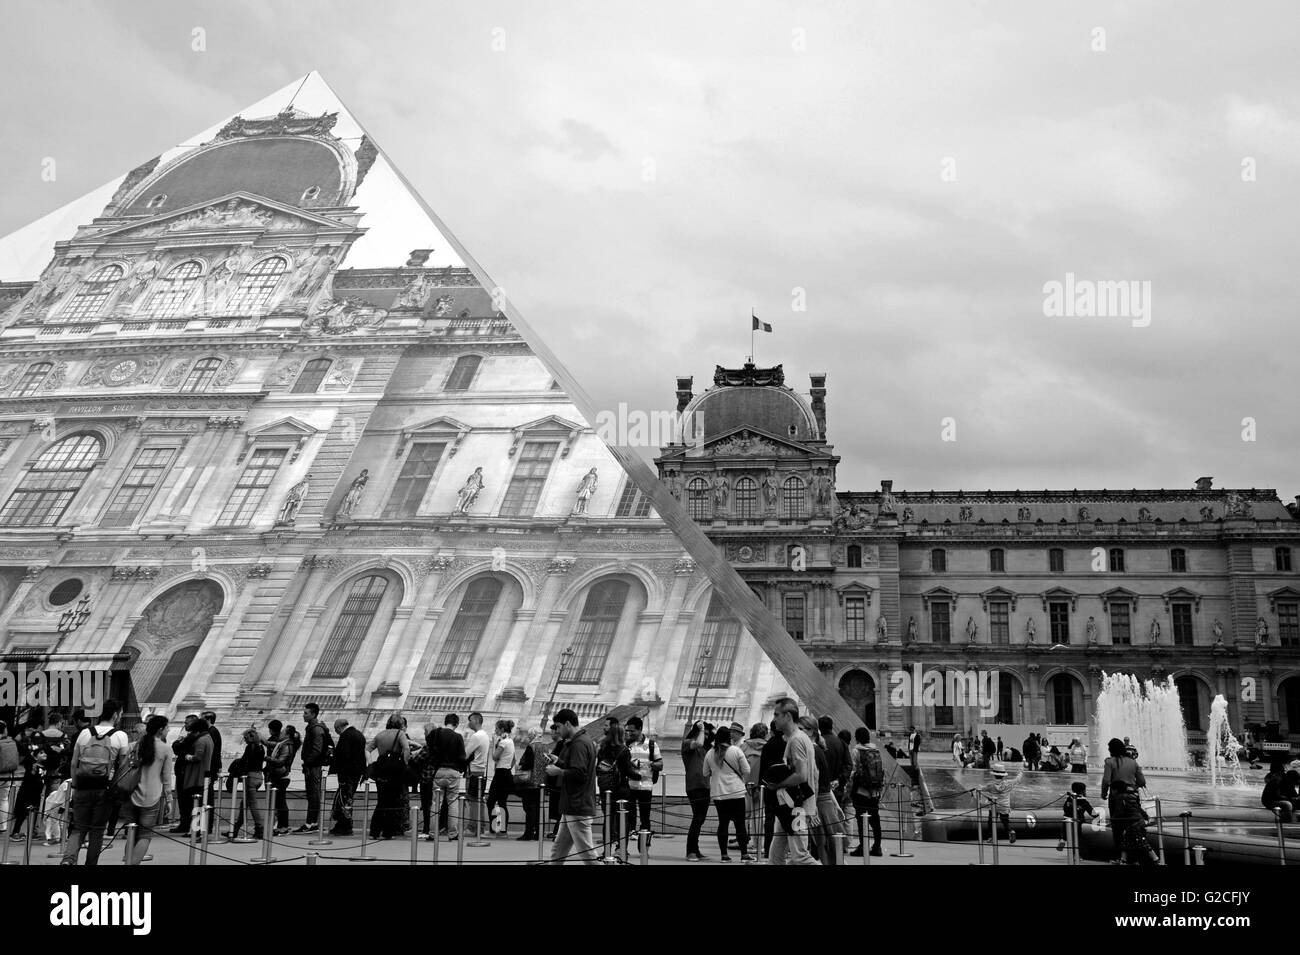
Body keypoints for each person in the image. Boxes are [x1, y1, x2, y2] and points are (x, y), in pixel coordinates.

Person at [62, 700, 130, 866]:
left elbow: (73, 763)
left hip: (83, 785)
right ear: (115, 714)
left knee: (78, 827)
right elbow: (123, 767)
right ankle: (91, 863)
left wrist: (76, 785)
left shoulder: (84, 733)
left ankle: (68, 860)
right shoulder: (120, 736)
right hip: (104, 788)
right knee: (97, 830)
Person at [764, 699, 819, 865]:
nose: (774, 719)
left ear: (788, 716)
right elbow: (815, 772)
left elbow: (802, 776)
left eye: (776, 715)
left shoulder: (796, 740)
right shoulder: (801, 738)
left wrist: (777, 785)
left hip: (796, 808)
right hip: (791, 806)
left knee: (800, 856)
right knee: (776, 856)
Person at [547, 708, 598, 864]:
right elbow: (578, 769)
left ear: (567, 724)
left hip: (576, 806)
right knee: (558, 852)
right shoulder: (583, 741)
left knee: (588, 855)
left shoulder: (579, 744)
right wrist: (560, 762)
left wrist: (558, 771)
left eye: (558, 726)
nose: (557, 730)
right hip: (573, 805)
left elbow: (579, 773)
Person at [120, 715, 172, 866]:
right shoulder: (165, 749)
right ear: (161, 730)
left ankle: (128, 860)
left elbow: (124, 767)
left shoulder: (134, 746)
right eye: (167, 728)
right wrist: (169, 799)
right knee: (145, 835)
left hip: (131, 793)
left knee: (131, 832)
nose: (168, 730)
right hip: (152, 796)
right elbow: (167, 778)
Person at [1100, 737, 1157, 865]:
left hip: (1116, 798)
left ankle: (1121, 858)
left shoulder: (1110, 762)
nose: (1108, 751)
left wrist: (1104, 794)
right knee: (1134, 828)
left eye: (1109, 749)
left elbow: (1106, 780)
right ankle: (1135, 858)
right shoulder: (1133, 763)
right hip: (1132, 798)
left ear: (1112, 750)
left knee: (1117, 828)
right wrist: (1131, 787)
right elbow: (1142, 782)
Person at [703, 725, 753, 862]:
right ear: (729, 737)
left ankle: (724, 855)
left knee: (723, 824)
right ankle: (744, 855)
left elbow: (705, 773)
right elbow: (747, 770)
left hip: (719, 794)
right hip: (736, 792)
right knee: (740, 824)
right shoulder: (736, 751)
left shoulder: (709, 753)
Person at [802, 716, 848, 863]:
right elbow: (824, 781)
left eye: (801, 729)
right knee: (828, 843)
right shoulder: (819, 749)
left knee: (824, 843)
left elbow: (815, 782)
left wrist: (812, 807)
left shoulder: (813, 751)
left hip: (819, 801)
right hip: (825, 799)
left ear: (811, 731)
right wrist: (835, 803)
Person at [366, 714, 410, 839]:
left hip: (381, 770)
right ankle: (388, 832)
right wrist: (405, 764)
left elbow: (368, 749)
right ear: (400, 724)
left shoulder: (380, 734)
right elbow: (406, 749)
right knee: (392, 802)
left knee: (381, 801)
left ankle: (374, 831)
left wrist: (370, 763)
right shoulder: (400, 734)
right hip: (394, 771)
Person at [596, 717, 636, 854]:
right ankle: (621, 848)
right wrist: (640, 774)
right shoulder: (624, 750)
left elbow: (597, 769)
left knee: (608, 820)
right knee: (623, 820)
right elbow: (628, 772)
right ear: (620, 735)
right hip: (621, 790)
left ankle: (606, 849)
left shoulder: (602, 748)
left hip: (605, 789)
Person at [424, 713, 467, 839]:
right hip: (453, 772)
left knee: (435, 802)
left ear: (445, 721)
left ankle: (432, 833)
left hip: (439, 770)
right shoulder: (458, 737)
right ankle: (453, 833)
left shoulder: (436, 733)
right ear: (456, 724)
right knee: (452, 802)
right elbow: (462, 757)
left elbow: (428, 742)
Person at [295, 702, 332, 834]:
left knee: (313, 794)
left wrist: (308, 762)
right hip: (312, 765)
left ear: (313, 714)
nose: (303, 715)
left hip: (313, 766)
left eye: (306, 713)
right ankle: (311, 822)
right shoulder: (313, 728)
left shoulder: (316, 729)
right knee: (312, 794)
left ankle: (312, 823)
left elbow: (317, 749)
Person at [624, 716, 661, 841]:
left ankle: (645, 843)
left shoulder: (651, 745)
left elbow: (660, 765)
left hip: (646, 786)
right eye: (627, 731)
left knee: (645, 816)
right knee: (630, 813)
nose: (629, 733)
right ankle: (631, 833)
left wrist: (648, 764)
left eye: (632, 731)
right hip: (629, 785)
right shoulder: (627, 745)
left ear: (640, 729)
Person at [681, 719, 713, 861]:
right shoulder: (688, 743)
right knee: (697, 818)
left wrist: (713, 733)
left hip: (705, 786)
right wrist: (701, 729)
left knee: (700, 819)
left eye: (706, 734)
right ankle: (690, 851)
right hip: (694, 786)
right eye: (703, 733)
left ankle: (696, 849)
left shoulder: (705, 749)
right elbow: (698, 742)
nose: (705, 736)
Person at [849, 727, 884, 857]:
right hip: (875, 792)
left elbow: (853, 771)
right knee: (875, 819)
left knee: (861, 819)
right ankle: (877, 847)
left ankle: (863, 847)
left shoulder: (856, 751)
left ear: (856, 737)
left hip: (861, 791)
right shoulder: (876, 750)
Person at [329, 718, 367, 836]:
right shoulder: (359, 734)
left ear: (339, 727)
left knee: (344, 799)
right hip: (356, 772)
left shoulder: (345, 736)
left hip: (347, 774)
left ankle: (344, 826)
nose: (336, 732)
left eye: (336, 730)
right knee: (348, 799)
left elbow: (344, 756)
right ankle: (344, 824)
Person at [230, 727, 266, 841]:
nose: (244, 740)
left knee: (252, 805)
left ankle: (260, 829)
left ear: (251, 737)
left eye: (246, 738)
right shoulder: (261, 748)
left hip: (250, 777)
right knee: (244, 804)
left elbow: (244, 761)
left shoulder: (250, 747)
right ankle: (235, 829)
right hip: (259, 776)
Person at [265, 722, 298, 835]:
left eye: (284, 731)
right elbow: (268, 743)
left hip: (281, 775)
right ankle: (280, 825)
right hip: (278, 775)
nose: (281, 733)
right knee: (279, 801)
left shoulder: (286, 745)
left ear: (287, 735)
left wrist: (266, 758)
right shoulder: (282, 744)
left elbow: (280, 762)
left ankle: (283, 826)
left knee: (281, 801)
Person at [758, 720, 786, 856]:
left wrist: (760, 784)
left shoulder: (768, 745)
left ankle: (768, 849)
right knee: (785, 817)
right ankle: (783, 850)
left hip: (769, 785)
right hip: (785, 785)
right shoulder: (788, 743)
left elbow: (762, 767)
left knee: (769, 818)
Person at [513, 727, 545, 841]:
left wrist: (520, 765)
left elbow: (528, 763)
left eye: (530, 735)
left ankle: (528, 833)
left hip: (530, 782)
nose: (529, 737)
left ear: (533, 735)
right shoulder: (544, 747)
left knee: (529, 808)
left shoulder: (531, 747)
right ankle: (539, 833)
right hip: (541, 782)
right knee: (538, 808)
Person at [486, 719, 516, 836]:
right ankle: (502, 829)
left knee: (491, 801)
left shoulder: (503, 742)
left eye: (497, 728)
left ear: (502, 729)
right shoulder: (511, 741)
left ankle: (495, 828)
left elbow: (494, 756)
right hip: (507, 772)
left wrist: (494, 743)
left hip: (500, 774)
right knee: (502, 801)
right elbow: (514, 760)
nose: (495, 730)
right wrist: (506, 766)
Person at [980, 761, 1023, 845]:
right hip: (1004, 806)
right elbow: (1017, 780)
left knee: (991, 822)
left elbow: (983, 789)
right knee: (1005, 822)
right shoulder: (1009, 784)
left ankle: (991, 837)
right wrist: (1021, 772)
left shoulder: (991, 786)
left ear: (994, 775)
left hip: (994, 806)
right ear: (1003, 776)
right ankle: (1010, 831)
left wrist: (980, 788)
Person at [464, 711, 491, 838]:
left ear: (475, 721)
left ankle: (472, 827)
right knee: (479, 801)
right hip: (482, 771)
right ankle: (481, 827)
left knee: (473, 800)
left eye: (470, 720)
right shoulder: (485, 735)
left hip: (474, 771)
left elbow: (466, 754)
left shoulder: (476, 736)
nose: (468, 723)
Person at [1057, 780, 1098, 852]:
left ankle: (1062, 839)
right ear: (1082, 791)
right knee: (1077, 838)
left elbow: (1065, 808)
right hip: (1079, 821)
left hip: (1067, 820)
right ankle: (1077, 853)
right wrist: (1098, 817)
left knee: (1064, 833)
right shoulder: (1084, 801)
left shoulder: (1068, 798)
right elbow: (1091, 812)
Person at [543, 720, 565, 839]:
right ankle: (557, 829)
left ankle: (558, 830)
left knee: (558, 807)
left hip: (558, 780)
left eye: (553, 732)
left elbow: (558, 761)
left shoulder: (561, 744)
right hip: (558, 780)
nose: (552, 734)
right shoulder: (561, 744)